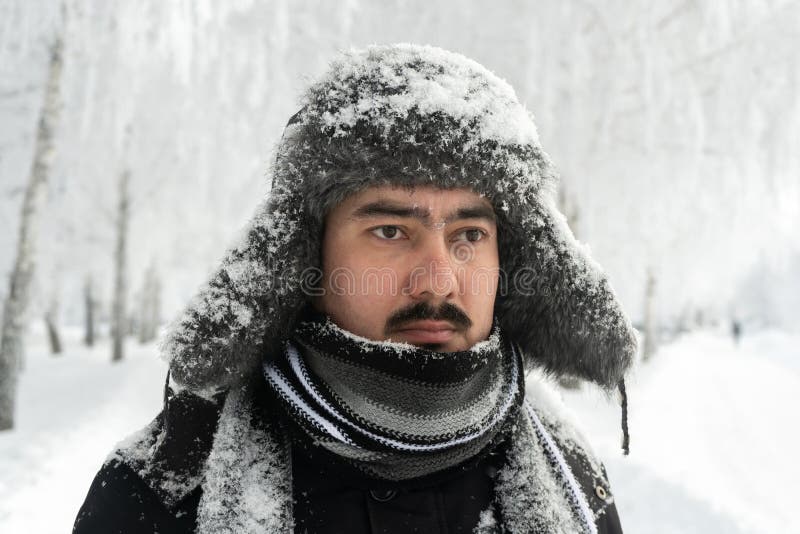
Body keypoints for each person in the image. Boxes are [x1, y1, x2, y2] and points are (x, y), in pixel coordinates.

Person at [73, 44, 636, 534]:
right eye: (390, 231)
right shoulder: (162, 490)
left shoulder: (571, 473)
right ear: (308, 261)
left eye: (469, 234)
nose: (438, 278)